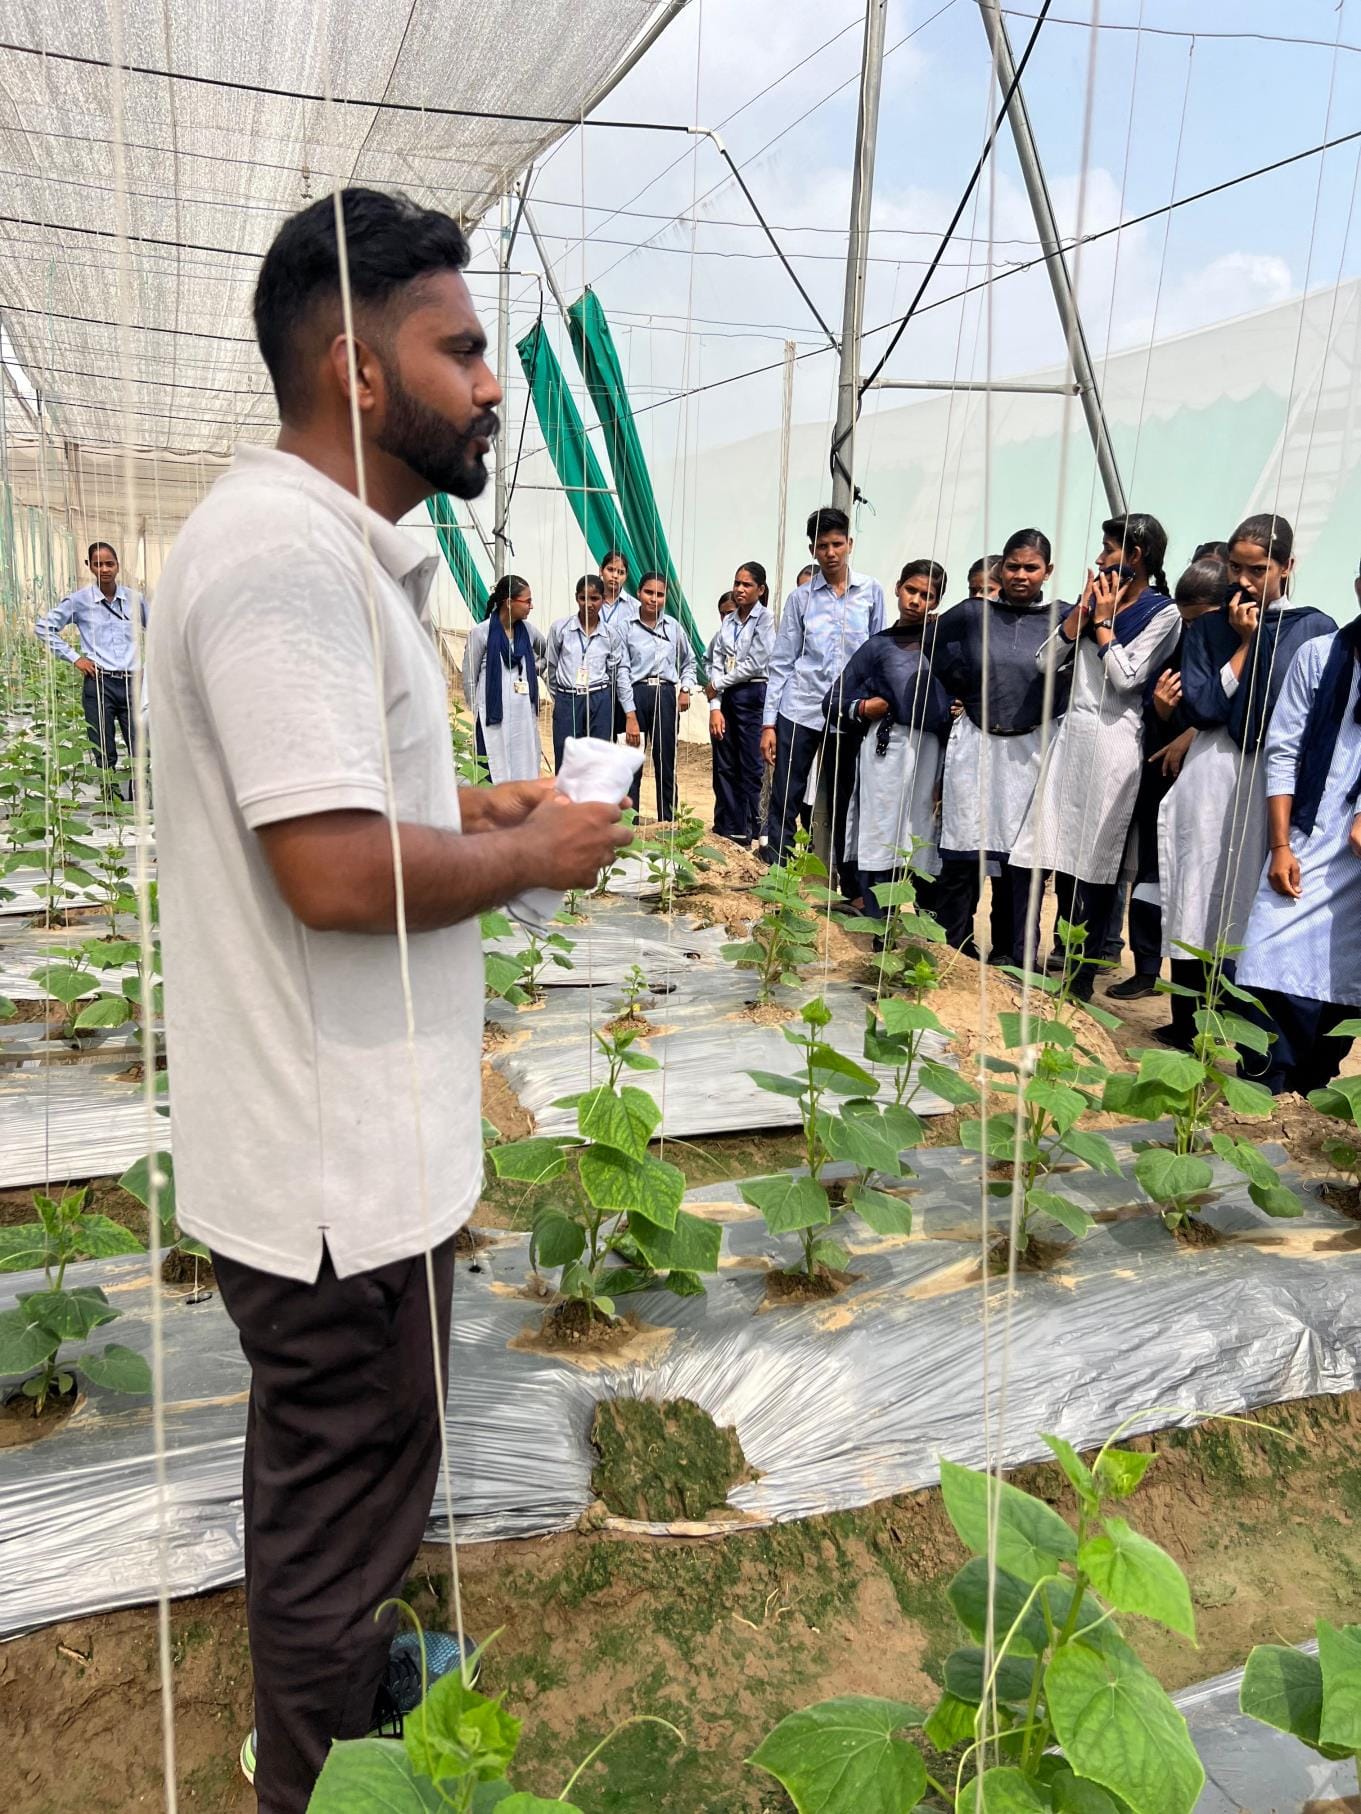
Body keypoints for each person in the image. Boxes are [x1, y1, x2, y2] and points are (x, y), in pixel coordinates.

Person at [146, 187, 629, 1814]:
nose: (493, 382)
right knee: (340, 1503)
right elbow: (335, 873)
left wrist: (484, 811)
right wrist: (539, 859)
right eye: (465, 349)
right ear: (359, 371)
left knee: (336, 1480)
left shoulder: (319, 545)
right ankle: (319, 1779)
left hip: (335, 1160)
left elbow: (340, 808)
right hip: (333, 1179)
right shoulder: (283, 555)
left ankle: (345, 1705)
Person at [1164, 513, 1334, 1006]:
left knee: (1255, 895)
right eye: (1236, 567)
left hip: (1277, 777)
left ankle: (1244, 1015)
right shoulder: (1211, 628)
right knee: (1199, 889)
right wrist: (1246, 644)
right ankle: (1186, 1017)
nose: (1242, 581)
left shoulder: (1315, 629)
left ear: (1286, 566)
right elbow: (1202, 707)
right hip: (1216, 770)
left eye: (1256, 570)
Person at [1011, 513, 1179, 997]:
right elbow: (1045, 661)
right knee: (1045, 853)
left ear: (1135, 556)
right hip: (1072, 735)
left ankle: (1081, 979)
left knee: (1095, 865)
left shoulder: (1160, 613)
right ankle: (1031, 959)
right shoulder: (1090, 602)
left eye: (1109, 549)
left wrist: (1103, 626)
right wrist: (1079, 618)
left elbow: (1128, 677)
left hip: (1113, 740)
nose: (1101, 558)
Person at [1235, 606, 1361, 1093]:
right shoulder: (1319, 654)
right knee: (1268, 954)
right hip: (1306, 834)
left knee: (1343, 976)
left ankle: (1313, 1091)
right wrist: (1281, 844)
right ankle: (1261, 1084)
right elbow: (1283, 749)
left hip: (1356, 858)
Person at [933, 528, 1070, 968]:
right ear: (1000, 569)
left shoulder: (1063, 617)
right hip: (976, 744)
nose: (1021, 575)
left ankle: (1016, 956)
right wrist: (968, 694)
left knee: (1024, 863)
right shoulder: (974, 615)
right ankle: (951, 949)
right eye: (1013, 566)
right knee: (963, 855)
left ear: (1047, 571)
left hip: (1033, 749)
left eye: (1031, 567)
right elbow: (936, 652)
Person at [1108, 558, 1223, 1013]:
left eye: (1200, 620)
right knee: (1152, 880)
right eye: (1188, 621)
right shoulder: (1183, 649)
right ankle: (1147, 970)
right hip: (1164, 781)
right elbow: (1164, 711)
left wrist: (1191, 732)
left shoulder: (1243, 650)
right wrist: (1161, 712)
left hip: (1211, 787)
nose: (1193, 630)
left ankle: (1194, 1001)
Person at [761, 506, 886, 899]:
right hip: (801, 708)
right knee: (786, 792)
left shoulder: (871, 592)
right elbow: (782, 661)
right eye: (822, 546)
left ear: (849, 544)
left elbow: (879, 652)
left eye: (837, 544)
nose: (831, 552)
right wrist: (769, 723)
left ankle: (850, 888)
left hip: (849, 714)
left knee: (846, 799)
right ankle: (777, 875)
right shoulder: (800, 599)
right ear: (812, 549)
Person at [824, 559, 952, 918]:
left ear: (937, 602)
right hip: (886, 750)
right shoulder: (877, 647)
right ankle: (879, 921)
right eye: (911, 590)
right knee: (882, 831)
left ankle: (925, 928)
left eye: (927, 595)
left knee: (924, 833)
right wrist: (864, 707)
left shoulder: (944, 643)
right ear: (898, 587)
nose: (916, 601)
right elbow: (832, 702)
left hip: (931, 752)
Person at [35, 540, 150, 785]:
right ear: (90, 567)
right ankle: (110, 796)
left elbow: (158, 628)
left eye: (110, 563)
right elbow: (44, 627)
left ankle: (142, 794)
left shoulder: (134, 599)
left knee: (140, 744)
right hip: (99, 682)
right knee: (102, 745)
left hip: (133, 682)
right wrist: (76, 659)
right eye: (98, 564)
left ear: (118, 565)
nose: (105, 569)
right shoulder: (79, 601)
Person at [620, 570, 696, 818]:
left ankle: (669, 820)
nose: (654, 599)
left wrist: (685, 689)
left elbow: (689, 662)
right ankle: (629, 820)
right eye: (649, 592)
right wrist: (629, 714)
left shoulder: (673, 627)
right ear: (639, 593)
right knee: (631, 760)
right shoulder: (626, 628)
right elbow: (621, 670)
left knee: (665, 759)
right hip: (636, 693)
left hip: (665, 695)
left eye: (660, 594)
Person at [709, 562, 774, 844]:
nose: (739, 590)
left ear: (760, 590)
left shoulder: (765, 619)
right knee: (727, 763)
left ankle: (761, 829)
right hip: (728, 697)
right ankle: (734, 829)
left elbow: (756, 662)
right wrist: (715, 705)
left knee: (752, 765)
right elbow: (715, 660)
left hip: (753, 693)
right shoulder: (730, 621)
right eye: (737, 583)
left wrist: (718, 684)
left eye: (746, 585)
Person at [460, 574, 545, 784]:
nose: (531, 606)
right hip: (493, 718)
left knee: (523, 767)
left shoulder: (529, 631)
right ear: (509, 602)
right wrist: (478, 709)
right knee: (493, 768)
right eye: (527, 601)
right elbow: (469, 677)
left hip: (523, 718)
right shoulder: (481, 633)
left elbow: (547, 654)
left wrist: (533, 669)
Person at [544, 574, 634, 771]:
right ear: (576, 598)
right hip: (568, 698)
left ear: (603, 599)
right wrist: (560, 696)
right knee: (566, 755)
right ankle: (566, 801)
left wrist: (604, 697)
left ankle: (593, 800)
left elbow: (615, 671)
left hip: (599, 698)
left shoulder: (610, 635)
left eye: (594, 598)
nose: (588, 604)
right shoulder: (561, 629)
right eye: (583, 598)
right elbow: (551, 666)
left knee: (598, 756)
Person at [599, 548, 638, 629]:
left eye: (621, 572)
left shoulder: (635, 607)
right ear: (601, 571)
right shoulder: (589, 600)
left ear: (626, 576)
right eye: (610, 570)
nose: (615, 576)